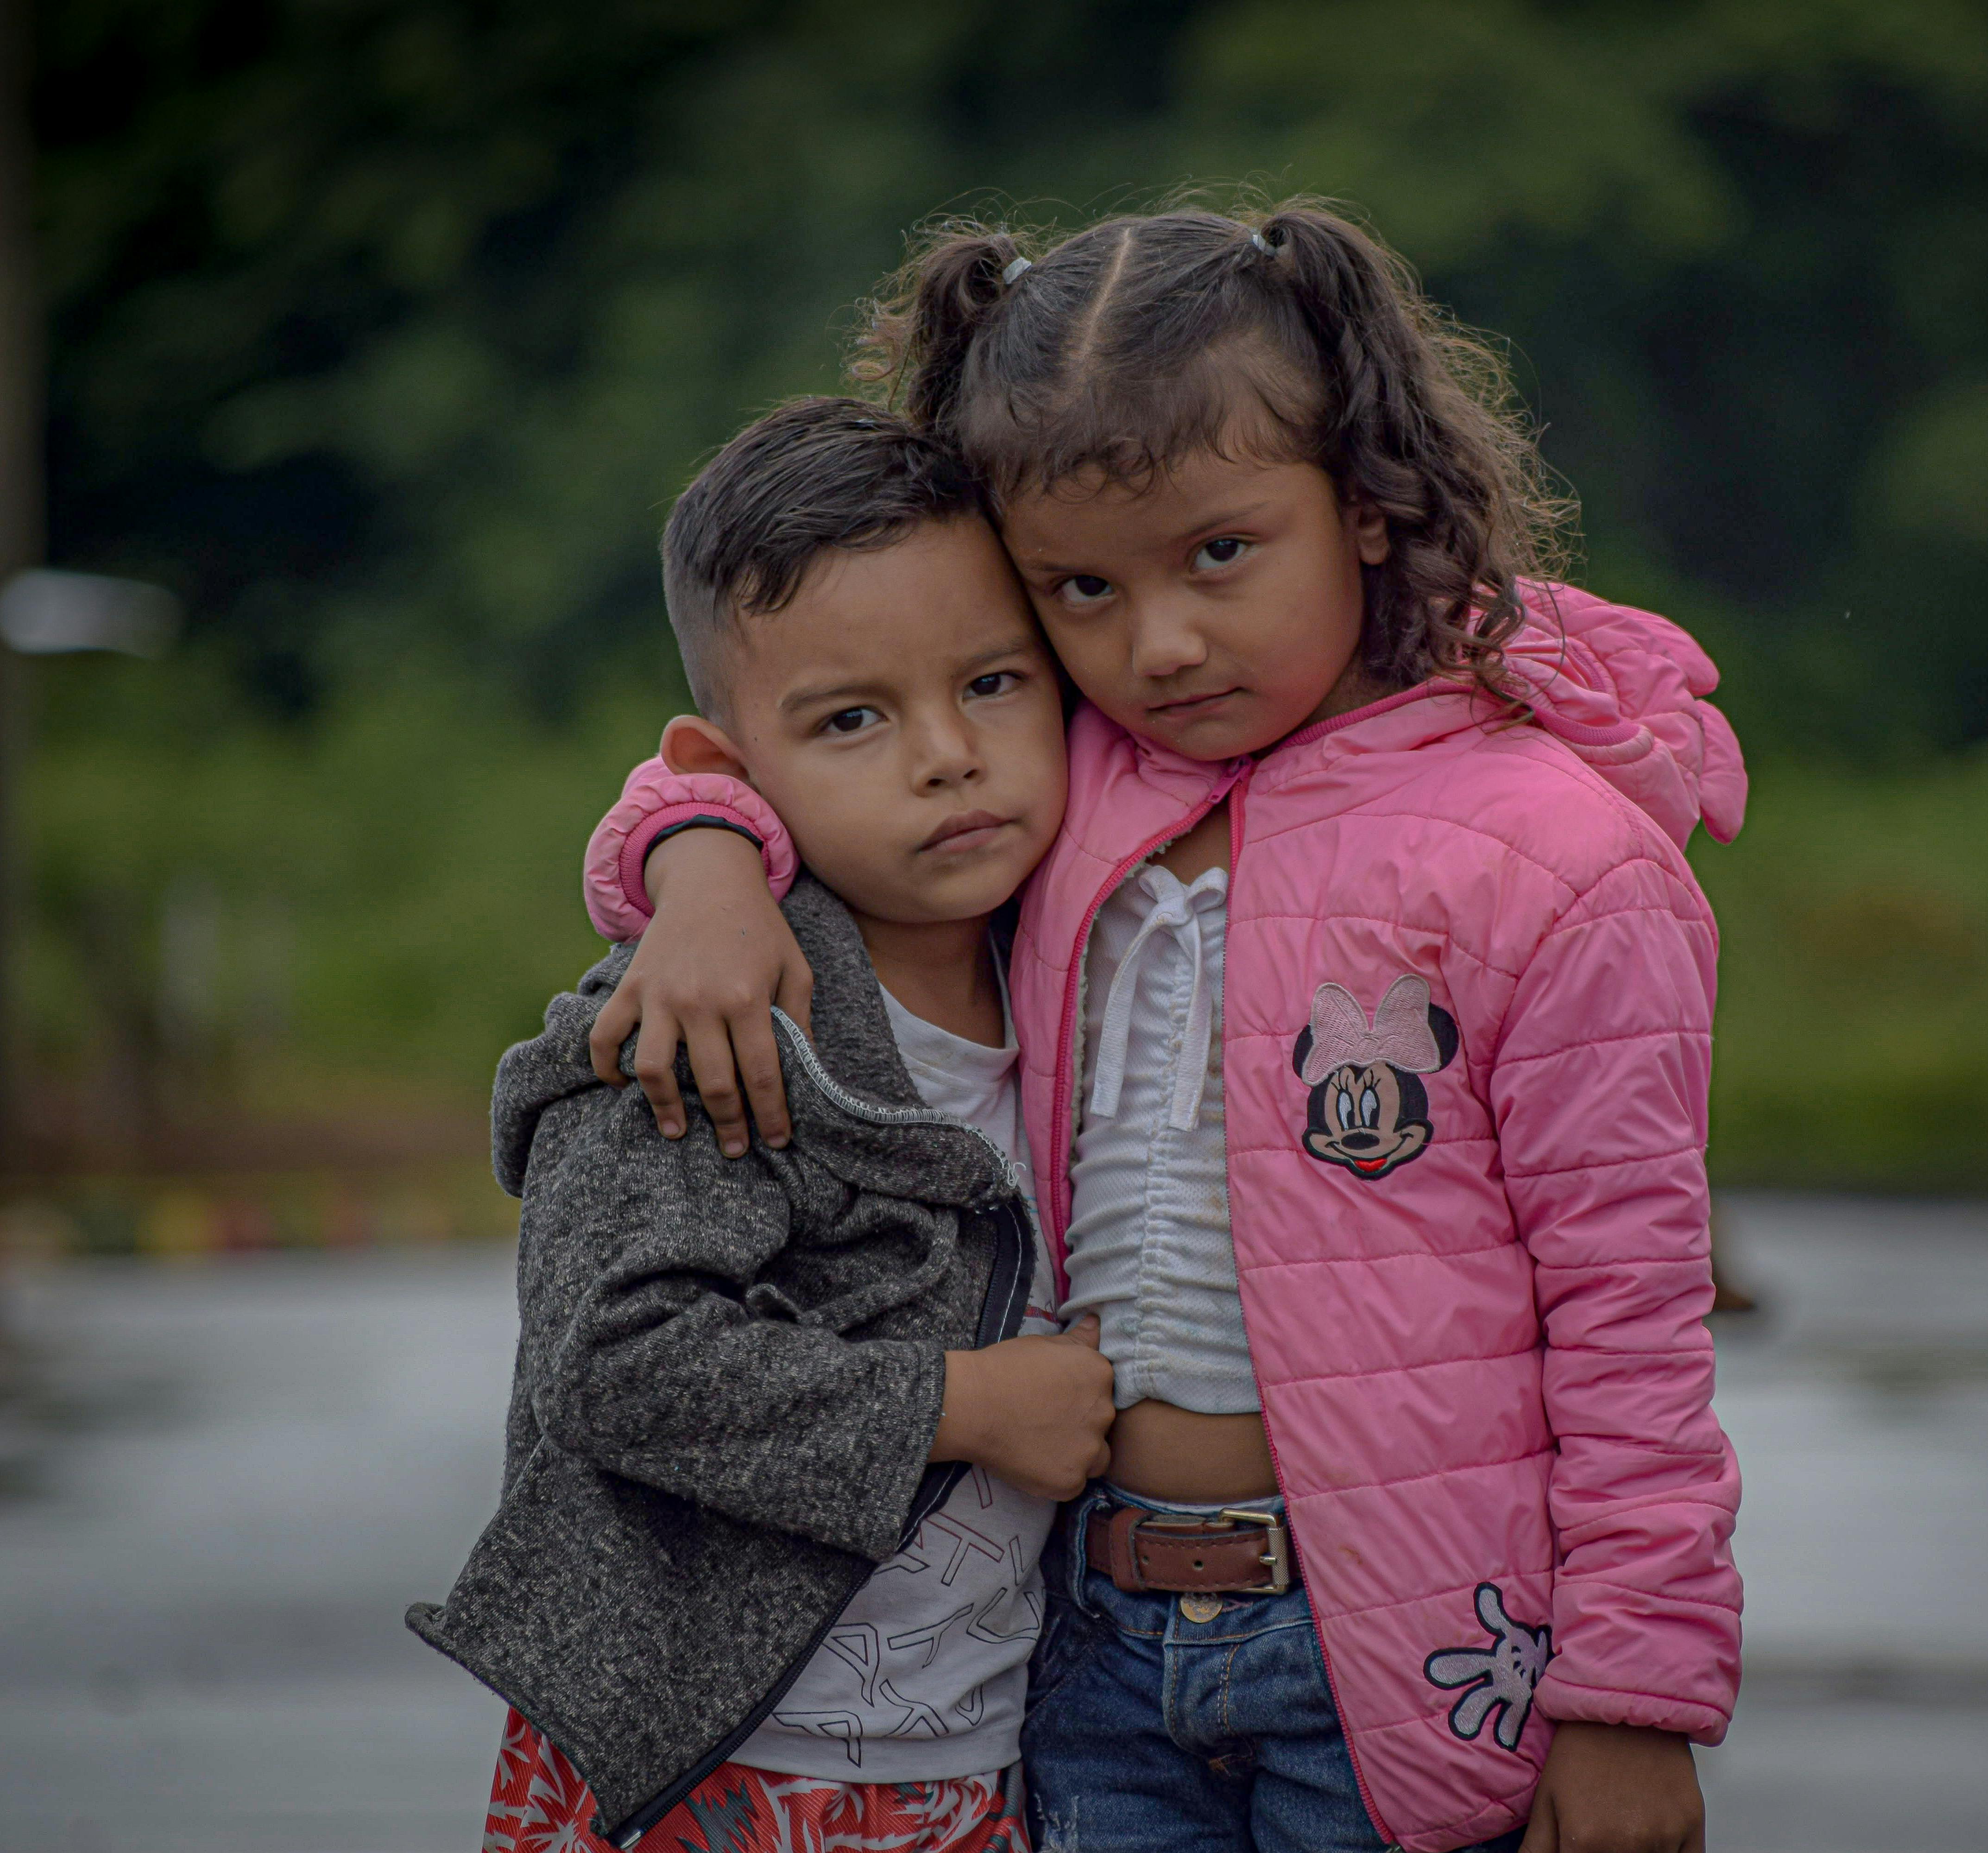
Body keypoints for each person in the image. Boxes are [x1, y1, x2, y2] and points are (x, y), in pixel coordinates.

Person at [580, 202, 1748, 1853]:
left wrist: (1634, 1698)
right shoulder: (1072, 777)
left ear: (1361, 498)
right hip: (1086, 1658)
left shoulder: (1550, 855)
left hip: (1407, 1671)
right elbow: (801, 743)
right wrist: (696, 863)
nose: (1164, 641)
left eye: (1219, 553)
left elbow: (1636, 1325)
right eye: (1080, 588)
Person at [408, 398, 1117, 1853]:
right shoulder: (707, 1013)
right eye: (851, 718)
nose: (945, 755)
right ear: (729, 772)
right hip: (727, 1769)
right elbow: (619, 1362)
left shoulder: (1089, 961)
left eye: (993, 682)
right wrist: (965, 1407)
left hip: (987, 1756)